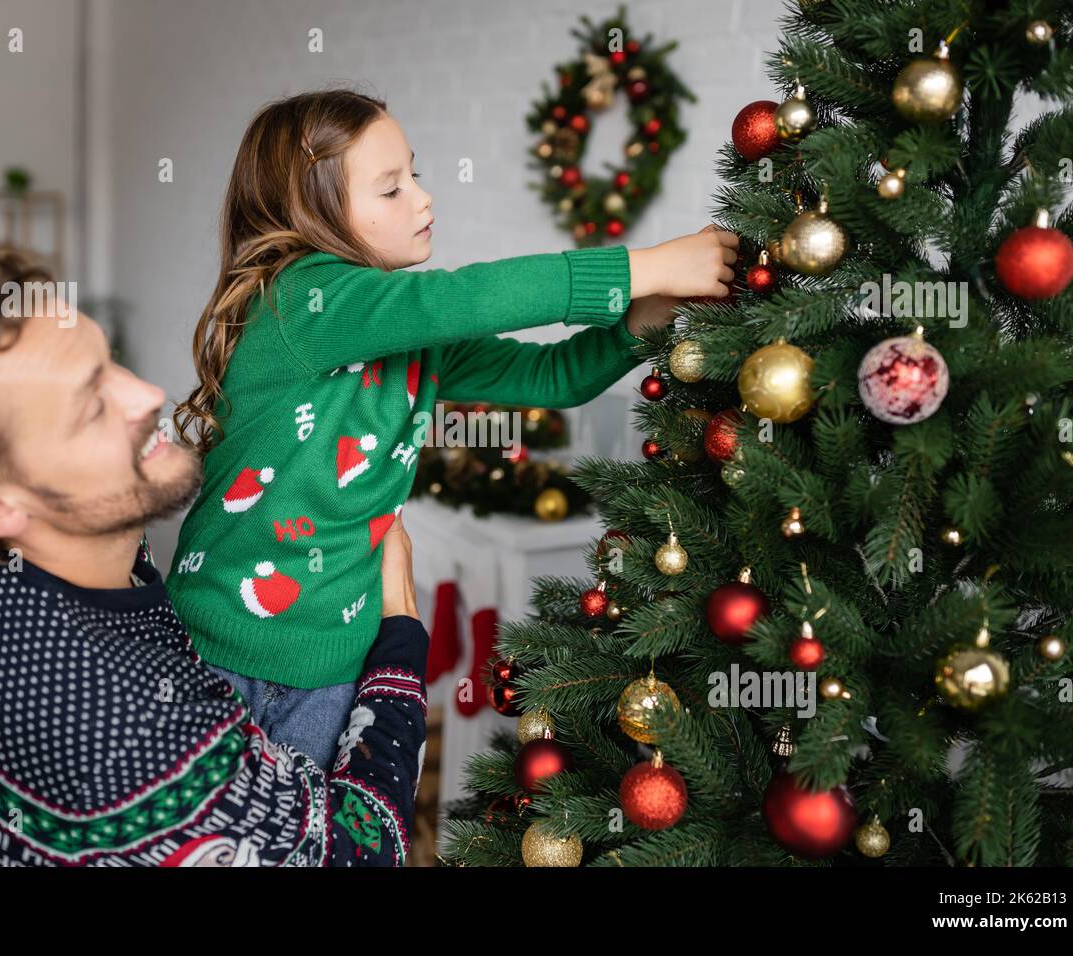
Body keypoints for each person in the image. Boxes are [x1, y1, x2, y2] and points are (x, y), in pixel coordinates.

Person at [169, 87, 740, 767]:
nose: (422, 199)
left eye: (417, 175)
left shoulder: (413, 335)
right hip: (215, 647)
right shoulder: (303, 298)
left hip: (332, 661)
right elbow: (467, 295)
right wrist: (644, 264)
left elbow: (554, 377)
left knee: (308, 837)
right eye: (390, 189)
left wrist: (649, 311)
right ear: (310, 213)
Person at [0, 246, 428, 866]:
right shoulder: (130, 737)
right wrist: (400, 632)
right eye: (91, 406)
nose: (146, 394)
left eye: (108, 361)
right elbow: (363, 848)